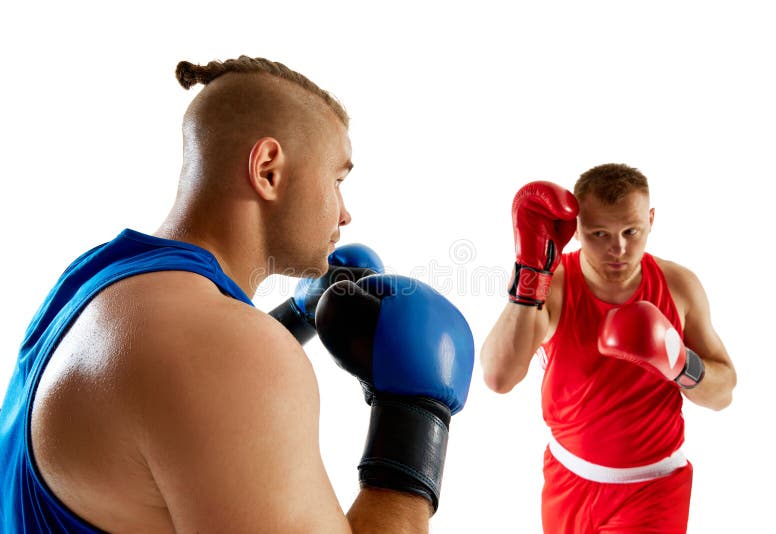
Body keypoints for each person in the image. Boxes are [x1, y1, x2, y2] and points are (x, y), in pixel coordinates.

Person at [0, 56, 474, 533]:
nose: (345, 213)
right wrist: (415, 417)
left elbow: (176, 391)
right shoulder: (227, 351)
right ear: (268, 170)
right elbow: (214, 365)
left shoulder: (93, 279)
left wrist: (296, 315)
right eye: (337, 180)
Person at [481, 163, 737, 533]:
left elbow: (724, 393)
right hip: (567, 480)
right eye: (599, 233)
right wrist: (530, 271)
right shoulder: (552, 285)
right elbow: (498, 376)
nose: (617, 248)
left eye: (631, 231)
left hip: (652, 490)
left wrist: (681, 363)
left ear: (651, 219)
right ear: (577, 228)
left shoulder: (679, 287)